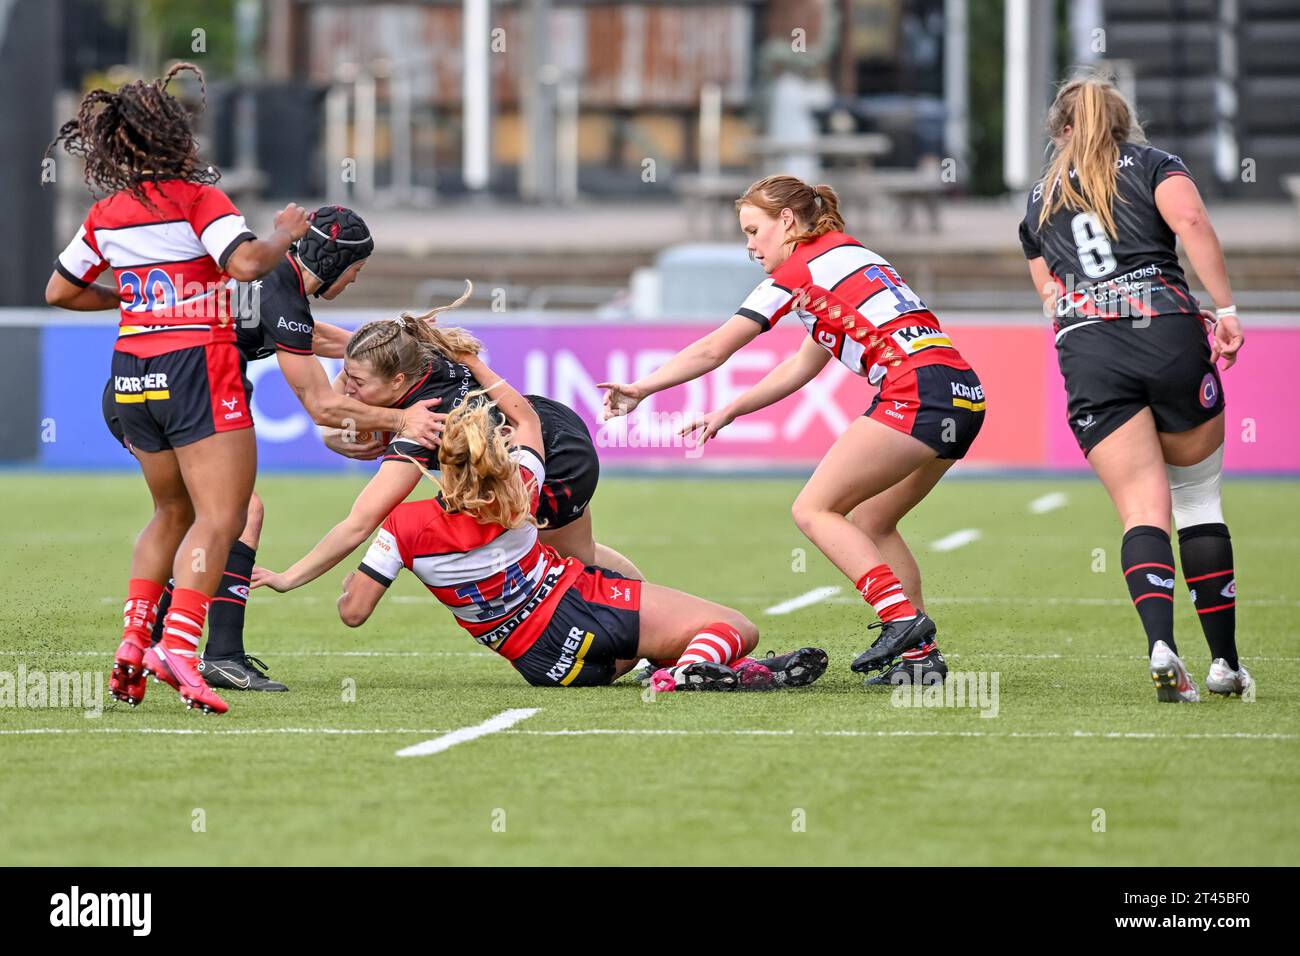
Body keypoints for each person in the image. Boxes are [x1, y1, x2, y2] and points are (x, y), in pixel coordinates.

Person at [600, 175, 985, 686]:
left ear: (787, 222)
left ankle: (903, 621)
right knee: (873, 522)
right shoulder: (849, 255)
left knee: (813, 508)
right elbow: (803, 365)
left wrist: (642, 388)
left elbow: (716, 348)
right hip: (964, 395)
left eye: (754, 231)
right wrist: (728, 412)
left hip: (914, 392)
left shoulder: (798, 271)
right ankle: (920, 663)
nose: (749, 246)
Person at [44, 63, 311, 714]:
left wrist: (134, 300)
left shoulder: (108, 212)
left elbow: (59, 290)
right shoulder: (198, 200)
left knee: (170, 513)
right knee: (225, 515)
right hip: (198, 363)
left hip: (133, 369)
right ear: (173, 138)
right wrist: (285, 233)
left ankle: (134, 644)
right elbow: (245, 263)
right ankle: (179, 648)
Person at [97, 205, 445, 694]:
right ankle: (208, 651)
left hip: (143, 392)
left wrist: (399, 350)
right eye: (355, 272)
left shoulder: (273, 281)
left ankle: (161, 632)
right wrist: (401, 418)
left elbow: (315, 336)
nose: (354, 283)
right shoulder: (282, 292)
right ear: (333, 266)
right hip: (170, 402)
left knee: (201, 514)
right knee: (235, 512)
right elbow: (323, 407)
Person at [334, 366, 828, 691]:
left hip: (548, 667)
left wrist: (322, 582)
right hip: (581, 612)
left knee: (663, 631)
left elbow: (353, 613)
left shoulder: (402, 524)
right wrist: (472, 361)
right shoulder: (520, 489)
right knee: (736, 627)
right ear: (495, 450)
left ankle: (724, 673)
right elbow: (525, 415)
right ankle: (682, 675)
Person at [1018, 73, 1250, 703]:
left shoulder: (1038, 197)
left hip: (1088, 347)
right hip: (1167, 330)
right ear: (1122, 123)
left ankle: (1159, 646)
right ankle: (1225, 664)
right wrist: (1225, 310)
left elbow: (1048, 289)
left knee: (1142, 512)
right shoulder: (1154, 163)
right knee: (1198, 500)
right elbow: (1192, 220)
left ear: (1060, 131)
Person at [251, 290, 642, 595]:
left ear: (397, 384)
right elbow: (335, 381)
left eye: (357, 383)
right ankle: (649, 613)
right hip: (547, 420)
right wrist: (338, 420)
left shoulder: (423, 428)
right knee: (580, 554)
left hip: (556, 458)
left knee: (572, 563)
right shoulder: (411, 352)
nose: (346, 390)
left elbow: (359, 523)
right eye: (346, 376)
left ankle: (649, 626)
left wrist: (290, 577)